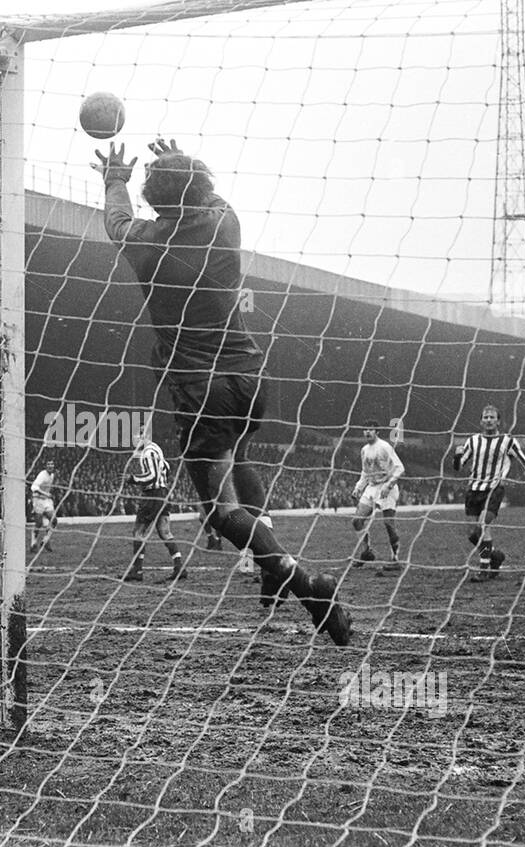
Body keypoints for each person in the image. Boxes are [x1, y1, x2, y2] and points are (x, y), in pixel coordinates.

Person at [93, 136, 350, 643]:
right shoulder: (223, 223)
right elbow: (208, 195)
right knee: (238, 459)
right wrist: (180, 161)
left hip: (200, 390)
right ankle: (277, 571)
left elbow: (115, 221)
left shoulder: (146, 243)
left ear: (155, 199)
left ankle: (306, 584)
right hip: (250, 378)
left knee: (219, 511)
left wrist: (116, 179)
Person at [452, 405, 525, 582]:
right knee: (472, 534)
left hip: (494, 489)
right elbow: (459, 467)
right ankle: (494, 556)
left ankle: (484, 570)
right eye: (486, 417)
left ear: (498, 421)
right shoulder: (473, 441)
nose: (489, 420)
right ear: (481, 421)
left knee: (483, 525)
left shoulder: (507, 441)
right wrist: (456, 456)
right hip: (473, 490)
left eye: (492, 417)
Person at [124, 439, 185, 583]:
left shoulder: (148, 452)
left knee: (138, 532)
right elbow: (167, 468)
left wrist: (133, 479)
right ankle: (179, 568)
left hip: (152, 496)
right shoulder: (157, 449)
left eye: (134, 438)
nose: (133, 441)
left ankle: (137, 571)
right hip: (163, 494)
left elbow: (152, 476)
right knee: (165, 532)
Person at [350, 420, 405, 573]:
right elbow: (365, 472)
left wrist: (389, 485)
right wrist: (358, 487)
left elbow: (400, 468)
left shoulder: (385, 447)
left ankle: (395, 559)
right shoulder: (364, 450)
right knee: (356, 521)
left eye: (371, 429)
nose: (367, 432)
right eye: (365, 429)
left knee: (388, 524)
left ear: (377, 432)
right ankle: (367, 551)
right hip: (372, 487)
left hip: (387, 486)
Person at [29, 459, 57, 553]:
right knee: (39, 523)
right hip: (38, 500)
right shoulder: (42, 475)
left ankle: (45, 540)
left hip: (46, 500)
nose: (50, 466)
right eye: (48, 464)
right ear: (46, 466)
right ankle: (33, 543)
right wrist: (45, 493)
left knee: (54, 520)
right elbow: (33, 487)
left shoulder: (52, 475)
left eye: (52, 464)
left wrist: (47, 494)